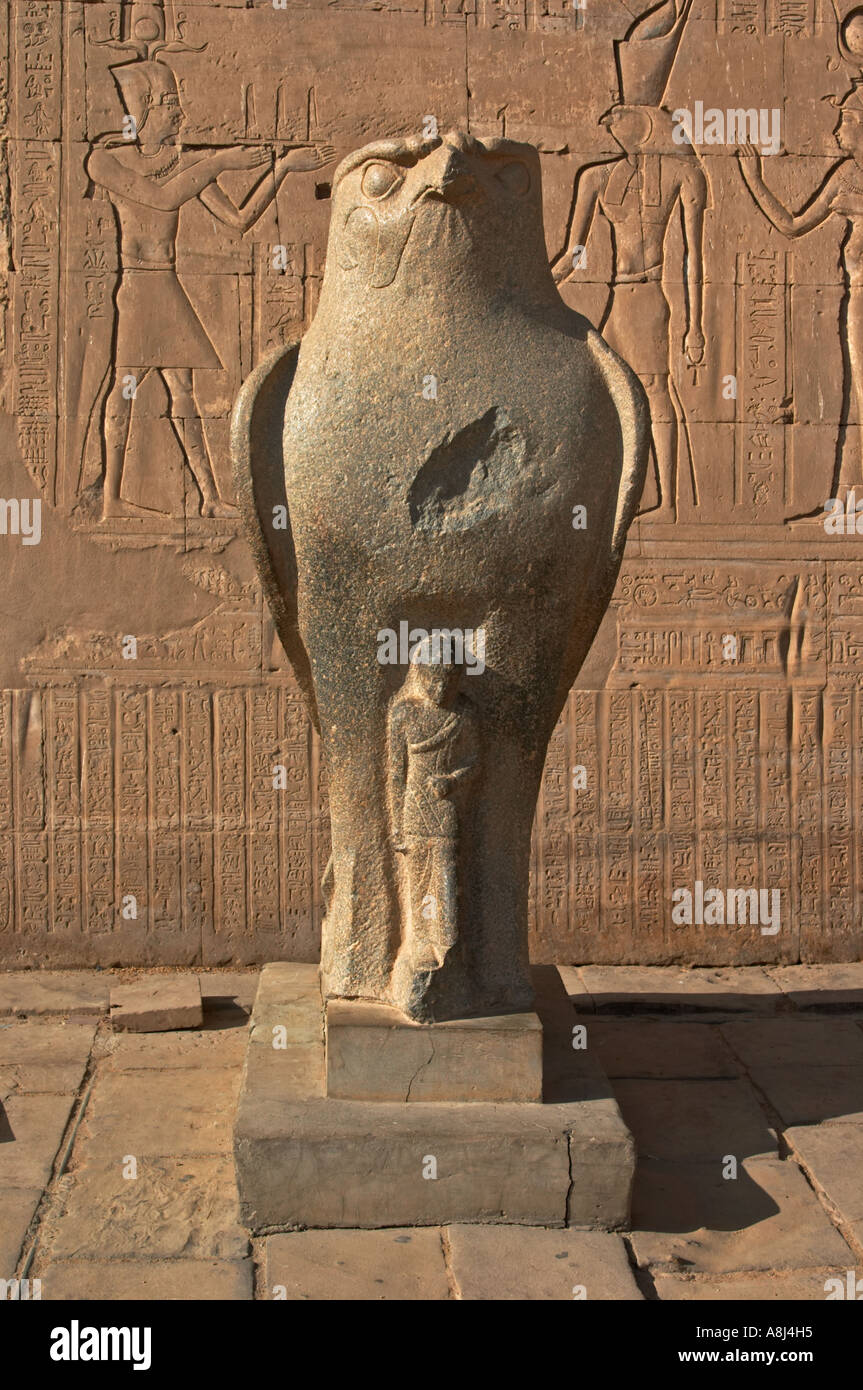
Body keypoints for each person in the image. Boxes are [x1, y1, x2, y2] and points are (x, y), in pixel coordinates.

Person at [86, 58, 333, 520]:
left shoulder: (183, 164)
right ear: (142, 109)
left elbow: (238, 221)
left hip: (165, 282)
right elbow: (161, 197)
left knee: (184, 392)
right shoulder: (106, 160)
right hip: (138, 287)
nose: (180, 116)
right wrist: (219, 160)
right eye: (169, 106)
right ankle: (112, 501)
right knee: (126, 388)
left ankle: (208, 498)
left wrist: (280, 169)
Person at [737, 88, 863, 510]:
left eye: (846, 120)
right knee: (853, 398)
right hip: (857, 302)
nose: (838, 130)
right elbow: (792, 225)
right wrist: (755, 180)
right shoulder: (847, 174)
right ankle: (849, 498)